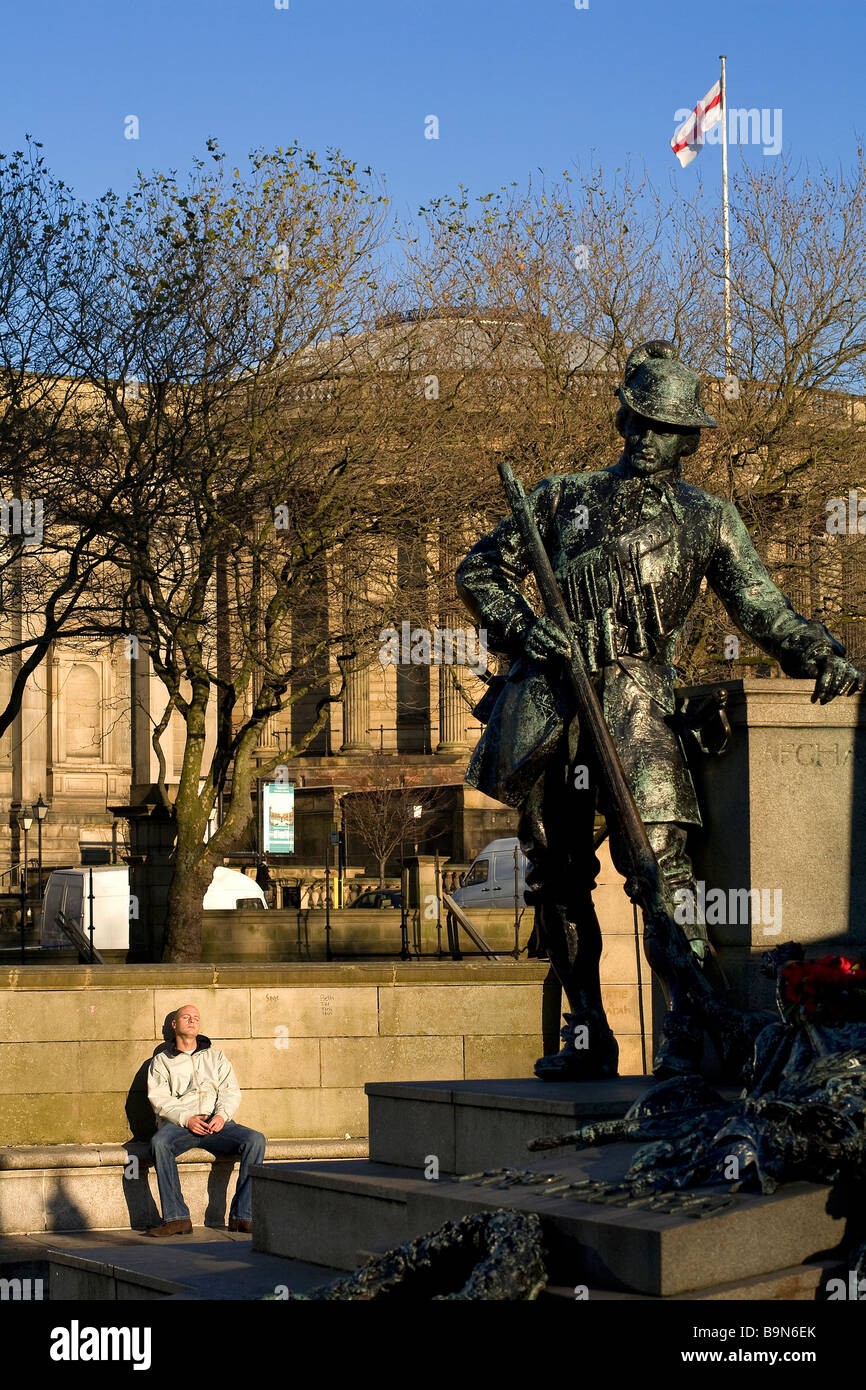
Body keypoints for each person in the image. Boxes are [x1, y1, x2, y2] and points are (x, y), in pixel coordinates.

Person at [456, 340, 865, 1081]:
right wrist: (523, 627)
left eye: (664, 428)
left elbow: (762, 608)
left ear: (689, 439)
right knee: (559, 874)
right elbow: (479, 568)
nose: (647, 438)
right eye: (638, 421)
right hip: (553, 701)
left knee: (665, 874)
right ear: (622, 418)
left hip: (638, 704)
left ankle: (689, 1036)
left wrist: (820, 652)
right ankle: (589, 1036)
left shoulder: (709, 518)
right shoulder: (559, 496)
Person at [145, 1003, 266, 1236]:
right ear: (174, 1025)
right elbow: (159, 1099)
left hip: (217, 1124)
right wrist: (187, 1119)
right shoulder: (161, 1061)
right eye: (186, 1017)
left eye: (196, 1018)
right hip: (182, 1126)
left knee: (255, 1140)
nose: (192, 1021)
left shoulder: (216, 1056)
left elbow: (230, 1091)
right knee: (159, 1143)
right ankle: (177, 1218)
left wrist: (221, 1116)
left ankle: (242, 1216)